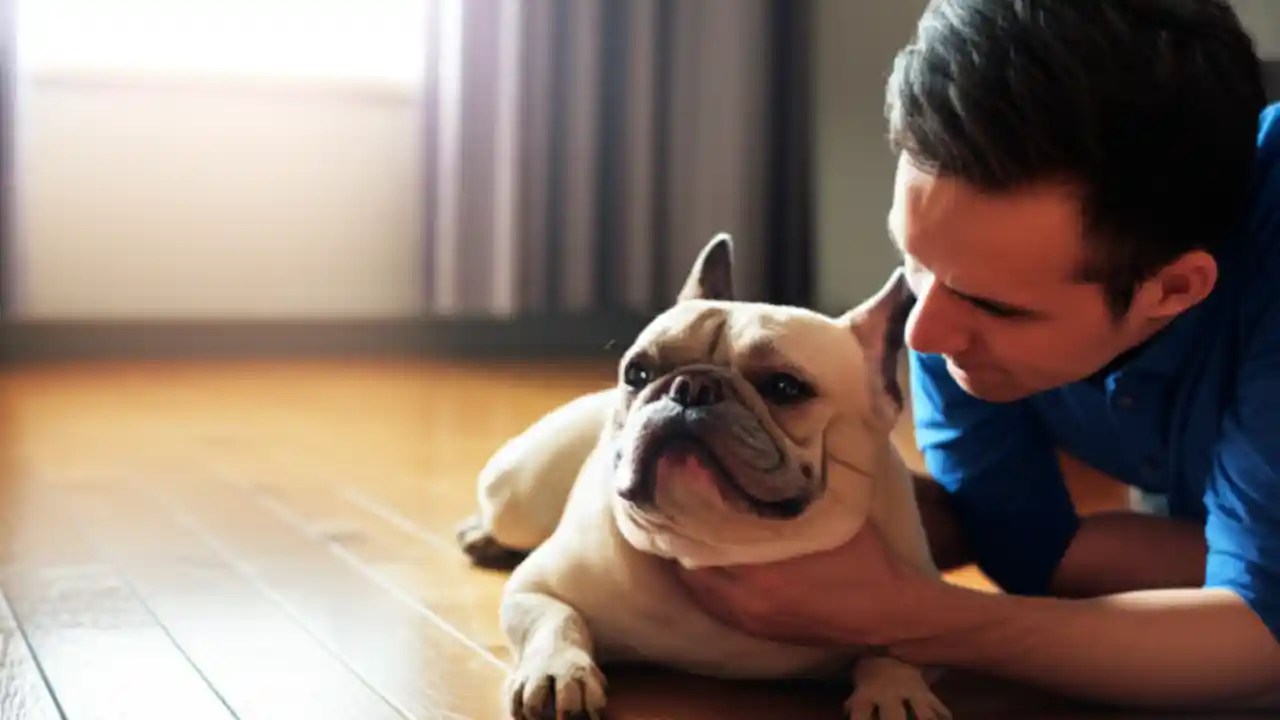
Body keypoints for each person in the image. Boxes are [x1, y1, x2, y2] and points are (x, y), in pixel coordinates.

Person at [676, 0, 1280, 710]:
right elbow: (1033, 551)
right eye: (914, 260)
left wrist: (912, 616)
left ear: (1174, 287)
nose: (922, 336)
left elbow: (1255, 652)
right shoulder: (961, 279)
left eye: (995, 306)